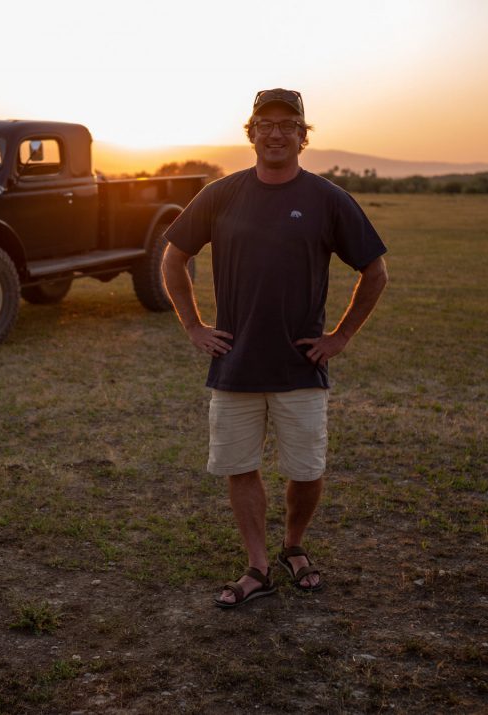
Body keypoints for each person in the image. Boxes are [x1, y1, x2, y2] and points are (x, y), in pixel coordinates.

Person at [161, 88, 388, 607]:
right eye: (266, 123)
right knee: (241, 467)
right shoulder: (222, 194)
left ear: (304, 137)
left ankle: (294, 546)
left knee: (305, 471)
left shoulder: (328, 199)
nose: (276, 132)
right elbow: (173, 258)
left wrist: (341, 336)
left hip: (301, 365)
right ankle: (258, 565)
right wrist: (194, 326)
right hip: (235, 365)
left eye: (289, 124)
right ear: (252, 133)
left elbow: (375, 271)